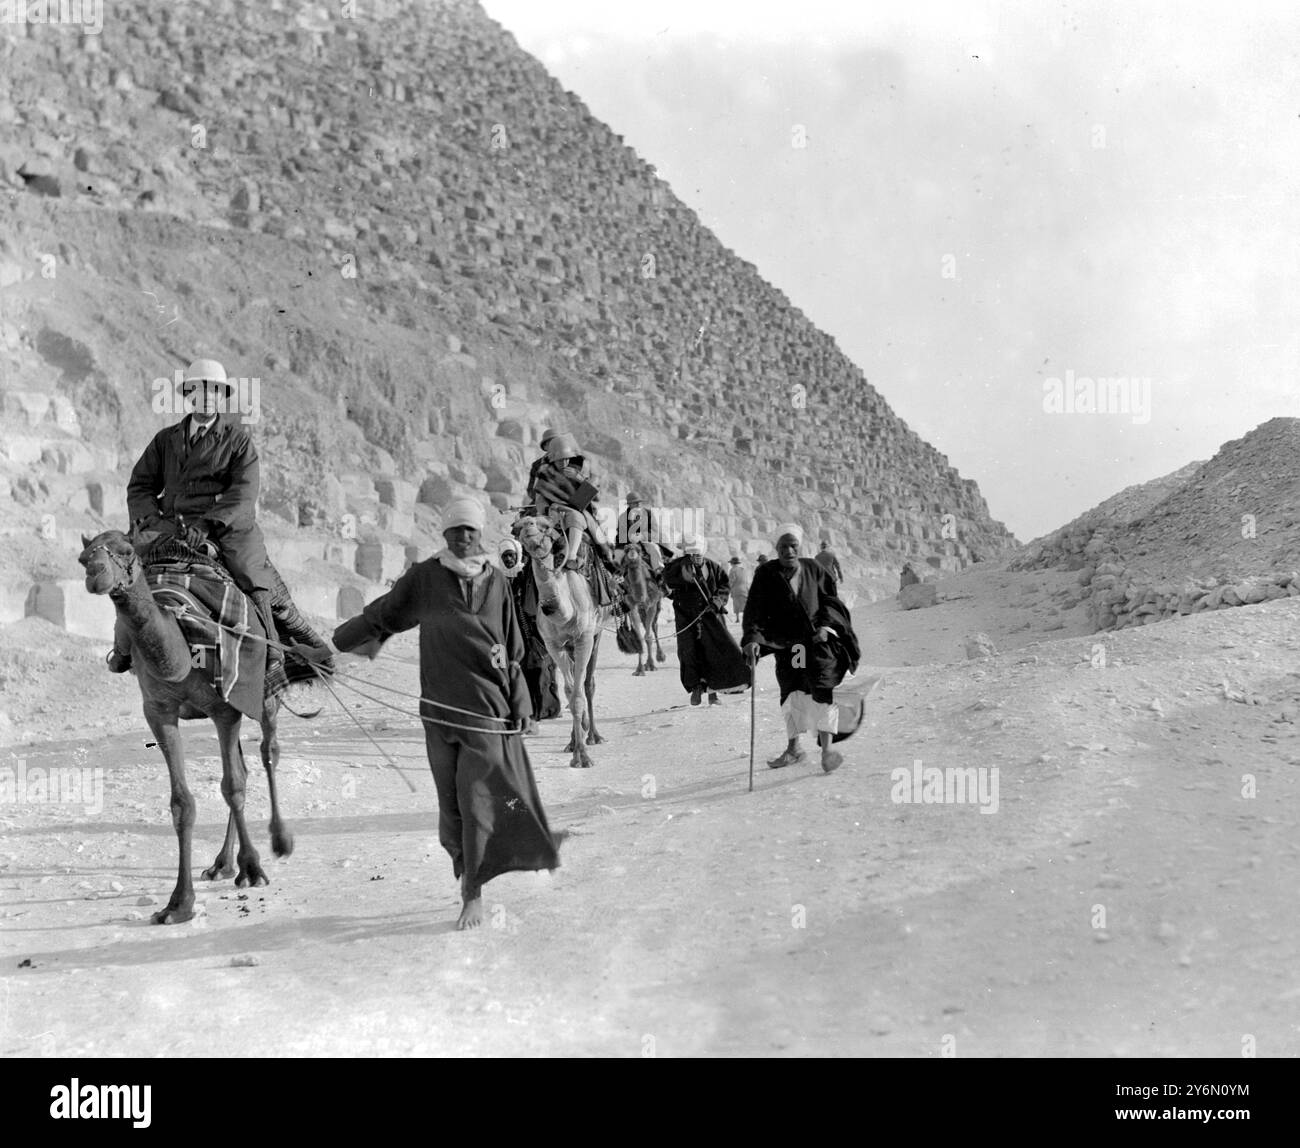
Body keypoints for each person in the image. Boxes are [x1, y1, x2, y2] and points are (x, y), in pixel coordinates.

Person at [298, 497, 562, 930]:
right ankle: (470, 870)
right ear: (444, 534)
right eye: (455, 530)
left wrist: (522, 704)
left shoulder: (496, 582)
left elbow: (513, 649)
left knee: (476, 802)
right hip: (437, 714)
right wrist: (327, 649)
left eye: (470, 531)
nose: (463, 538)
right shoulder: (424, 578)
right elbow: (381, 616)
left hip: (486, 711)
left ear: (480, 535)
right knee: (451, 810)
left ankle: (472, 894)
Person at [117, 358, 331, 687]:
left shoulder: (238, 441)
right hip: (172, 526)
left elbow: (244, 493)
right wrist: (153, 522)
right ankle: (125, 648)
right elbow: (141, 486)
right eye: (199, 390)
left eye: (214, 391)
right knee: (126, 573)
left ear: (222, 397)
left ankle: (272, 650)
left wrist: (208, 524)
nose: (206, 397)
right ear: (188, 394)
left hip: (226, 527)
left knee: (250, 572)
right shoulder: (165, 441)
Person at [742, 523, 860, 773]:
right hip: (790, 646)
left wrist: (826, 628)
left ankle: (827, 752)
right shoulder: (766, 574)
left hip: (818, 644)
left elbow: (830, 601)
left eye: (793, 546)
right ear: (776, 548)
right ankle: (794, 748)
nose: (788, 551)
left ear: (800, 546)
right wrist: (752, 639)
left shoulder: (814, 568)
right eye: (783, 546)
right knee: (792, 691)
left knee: (822, 690)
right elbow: (754, 609)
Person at [662, 538, 749, 706]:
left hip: (711, 615)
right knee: (689, 652)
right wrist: (683, 573)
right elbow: (668, 580)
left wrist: (717, 601)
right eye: (692, 554)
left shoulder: (713, 566)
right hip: (686, 616)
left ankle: (713, 693)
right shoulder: (677, 566)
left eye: (699, 554)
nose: (696, 557)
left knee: (714, 651)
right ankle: (695, 688)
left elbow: (724, 585)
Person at [498, 537, 561, 724]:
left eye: (511, 555)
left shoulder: (528, 573)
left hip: (533, 626)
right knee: (520, 670)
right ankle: (528, 711)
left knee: (541, 667)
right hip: (511, 629)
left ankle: (547, 709)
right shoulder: (499, 578)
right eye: (505, 556)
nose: (509, 559)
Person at [531, 433, 614, 571]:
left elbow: (594, 497)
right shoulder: (544, 473)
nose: (563, 463)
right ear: (552, 459)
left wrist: (579, 479)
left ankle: (572, 557)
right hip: (552, 511)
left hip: (577, 510)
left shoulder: (582, 470)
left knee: (578, 520)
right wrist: (546, 511)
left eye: (566, 459)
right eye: (559, 460)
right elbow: (540, 499)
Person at [616, 491, 664, 575]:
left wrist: (642, 536)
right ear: (629, 504)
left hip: (645, 542)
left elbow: (655, 532)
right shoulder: (622, 517)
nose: (638, 504)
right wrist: (629, 537)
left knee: (654, 548)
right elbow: (620, 535)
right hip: (627, 544)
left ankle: (658, 572)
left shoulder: (649, 514)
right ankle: (617, 578)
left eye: (639, 502)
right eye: (635, 503)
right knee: (617, 556)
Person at [728, 556, 750, 621]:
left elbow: (731, 581)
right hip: (744, 589)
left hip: (736, 590)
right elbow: (746, 580)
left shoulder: (732, 570)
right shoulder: (743, 570)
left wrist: (728, 588)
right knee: (744, 605)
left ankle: (737, 619)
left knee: (736, 605)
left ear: (732, 563)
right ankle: (746, 618)